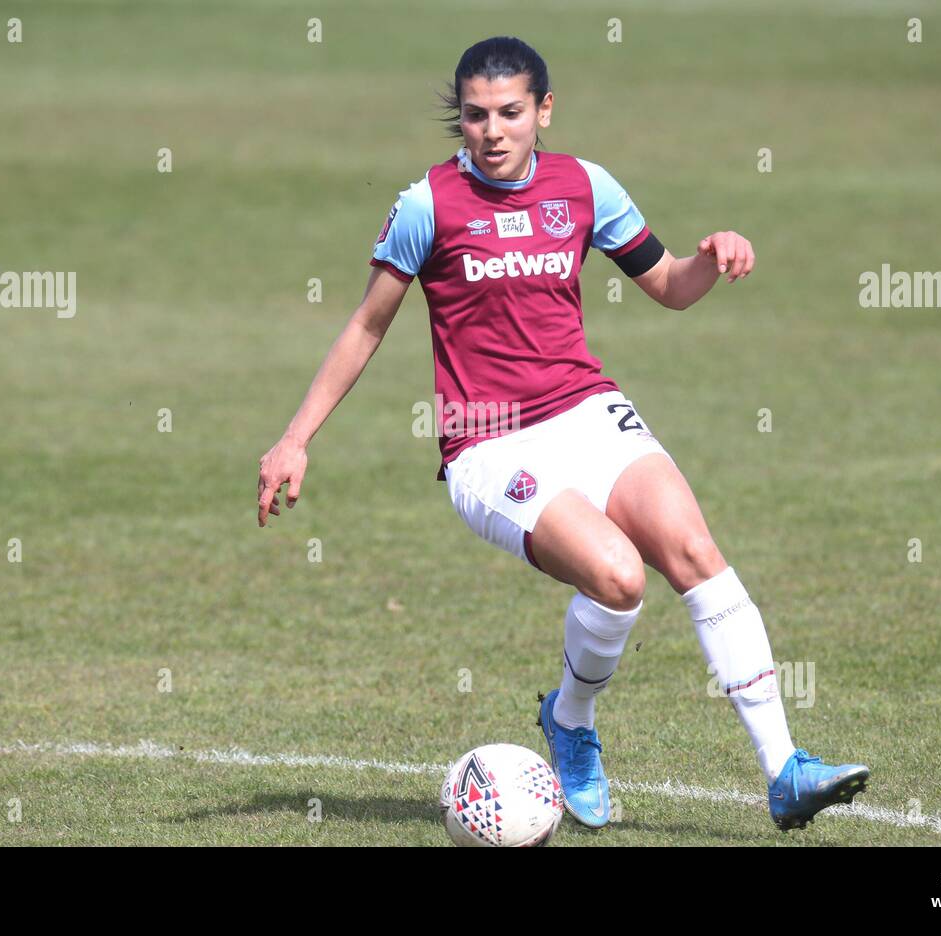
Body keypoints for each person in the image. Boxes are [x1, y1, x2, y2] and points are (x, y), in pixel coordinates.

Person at [257, 36, 868, 832]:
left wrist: (711, 259)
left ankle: (785, 770)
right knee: (618, 577)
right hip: (487, 445)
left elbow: (669, 286)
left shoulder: (584, 186)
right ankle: (571, 721)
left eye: (511, 112)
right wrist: (295, 438)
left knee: (694, 551)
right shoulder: (428, 205)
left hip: (585, 410)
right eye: (475, 115)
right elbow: (368, 326)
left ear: (544, 110)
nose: (493, 131)